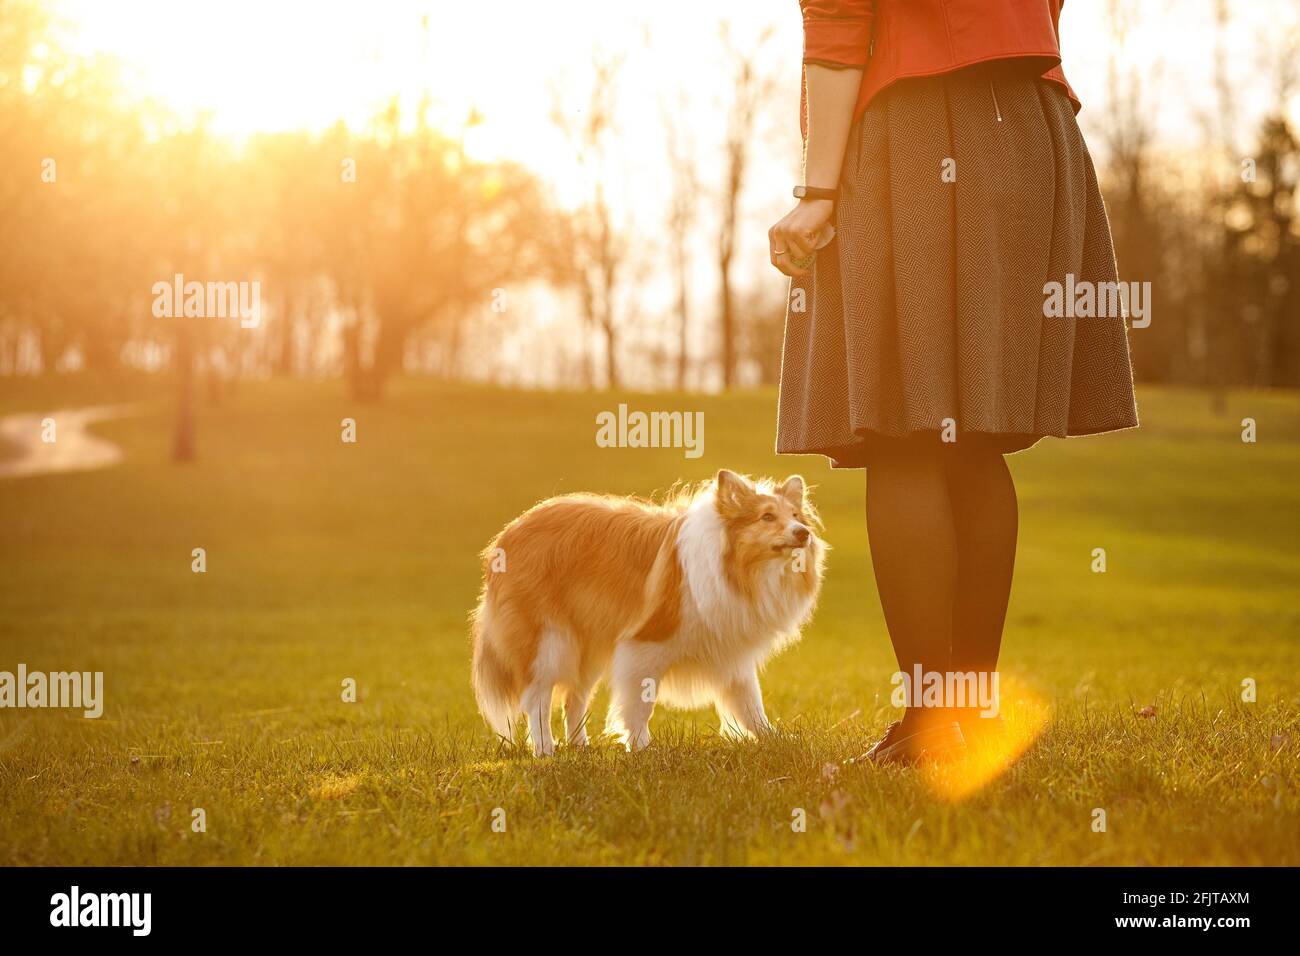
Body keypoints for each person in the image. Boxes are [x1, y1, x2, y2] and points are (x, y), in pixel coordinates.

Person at [769, 0, 1138, 764]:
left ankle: (935, 726)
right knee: (971, 439)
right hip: (1032, 133)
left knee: (907, 434)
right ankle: (968, 715)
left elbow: (839, 30)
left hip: (915, 130)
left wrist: (819, 193)